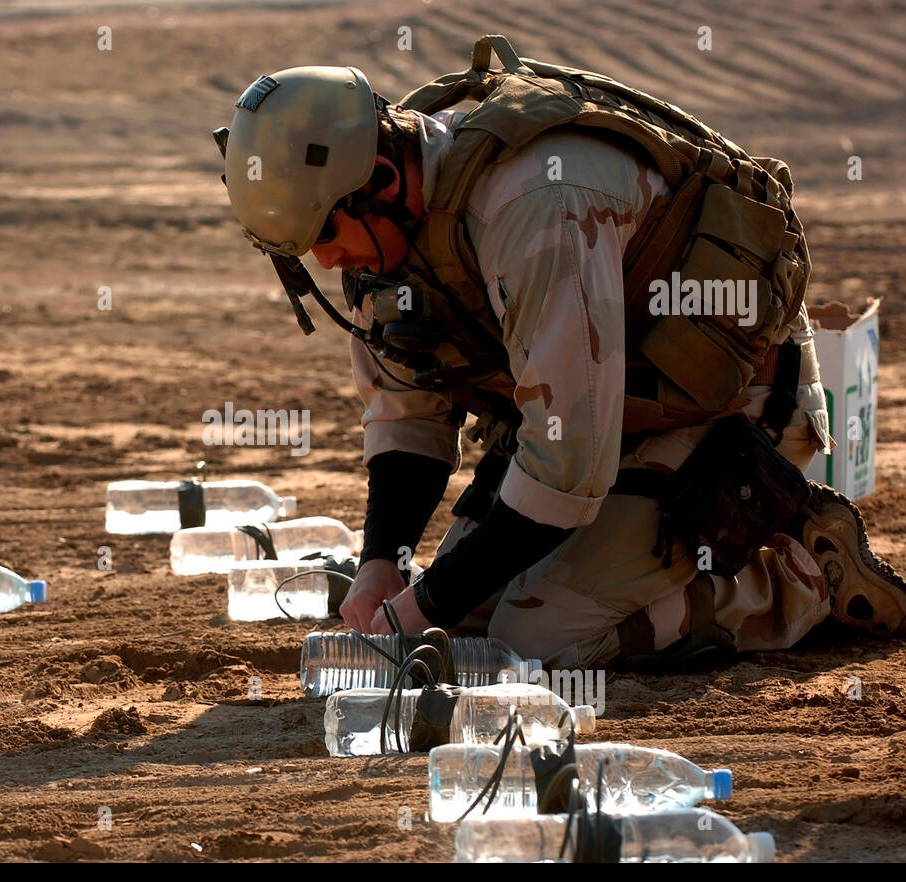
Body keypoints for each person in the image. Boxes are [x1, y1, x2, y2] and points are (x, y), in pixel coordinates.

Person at [213, 37, 906, 669]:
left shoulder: (534, 203)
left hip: (732, 411)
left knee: (542, 638)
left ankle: (793, 575)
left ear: (384, 182)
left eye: (328, 235)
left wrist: (421, 604)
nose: (329, 259)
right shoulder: (381, 231)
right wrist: (382, 564)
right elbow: (409, 413)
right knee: (463, 626)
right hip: (607, 411)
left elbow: (566, 470)